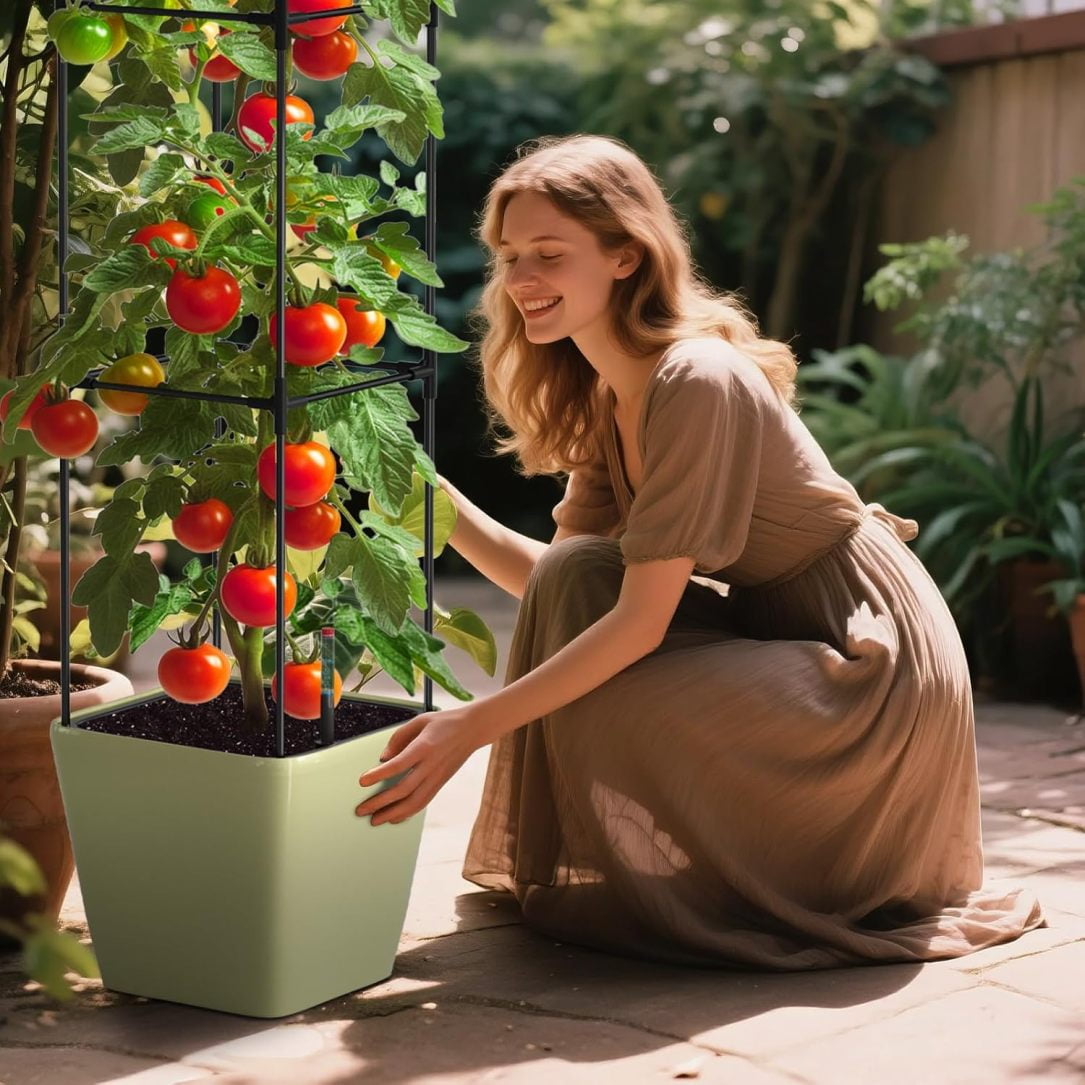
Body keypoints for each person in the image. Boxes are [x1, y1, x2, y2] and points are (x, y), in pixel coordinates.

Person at [356, 133, 1046, 969]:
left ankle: (770, 865)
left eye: (548, 253)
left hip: (866, 660)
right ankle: (678, 860)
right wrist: (425, 496)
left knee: (603, 697)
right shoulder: (612, 391)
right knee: (576, 575)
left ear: (624, 255)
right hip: (780, 633)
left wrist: (471, 723)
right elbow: (559, 587)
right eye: (507, 257)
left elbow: (639, 625)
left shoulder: (695, 378)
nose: (522, 280)